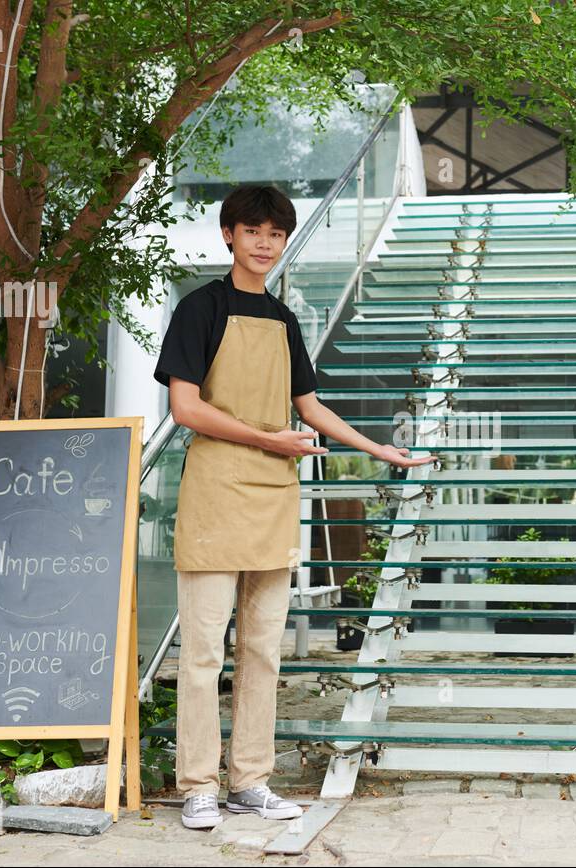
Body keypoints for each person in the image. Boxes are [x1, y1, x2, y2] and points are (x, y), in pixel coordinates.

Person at [153, 184, 437, 828]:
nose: (265, 244)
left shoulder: (284, 320)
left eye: (277, 235)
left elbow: (309, 409)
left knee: (262, 649)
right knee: (201, 652)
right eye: (253, 231)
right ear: (229, 234)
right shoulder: (200, 308)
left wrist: (383, 453)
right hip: (216, 491)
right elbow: (186, 408)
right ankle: (197, 784)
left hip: (274, 495)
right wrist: (267, 438)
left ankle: (250, 780)